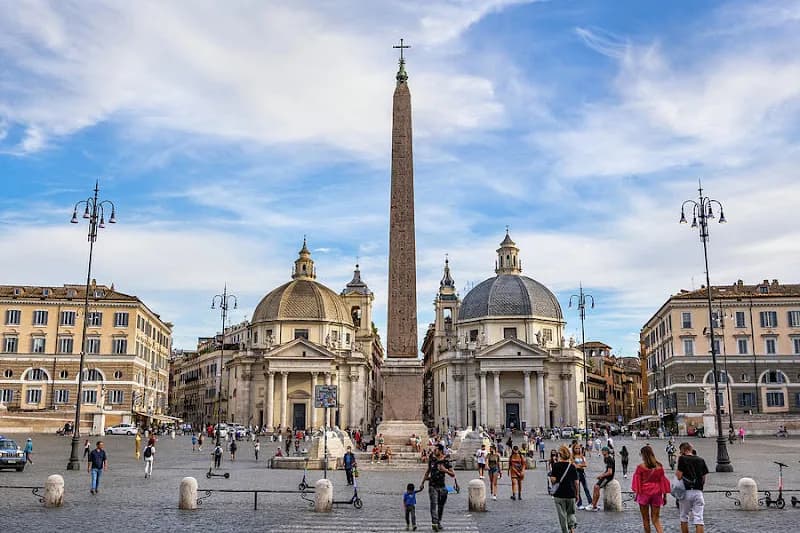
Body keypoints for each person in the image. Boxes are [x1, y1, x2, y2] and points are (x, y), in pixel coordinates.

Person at [632, 445, 670, 533]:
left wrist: (637, 494)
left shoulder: (640, 467)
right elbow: (663, 482)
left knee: (646, 519)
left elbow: (637, 483)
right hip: (657, 493)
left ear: (643, 455)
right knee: (656, 520)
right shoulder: (659, 467)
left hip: (644, 493)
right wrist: (665, 496)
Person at [421, 444, 456, 532]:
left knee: (441, 506)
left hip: (442, 487)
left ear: (440, 451)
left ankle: (438, 522)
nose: (434, 451)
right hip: (432, 486)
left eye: (436, 449)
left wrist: (445, 470)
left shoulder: (446, 461)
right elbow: (428, 471)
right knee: (433, 505)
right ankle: (435, 523)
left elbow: (453, 475)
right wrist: (422, 483)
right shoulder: (432, 460)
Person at [676, 442, 709, 533]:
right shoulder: (701, 460)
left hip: (685, 492)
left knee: (684, 516)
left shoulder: (682, 459)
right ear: (691, 449)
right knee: (699, 518)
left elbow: (679, 476)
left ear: (683, 450)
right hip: (698, 492)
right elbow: (703, 478)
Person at [550, 445, 579, 533]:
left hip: (559, 495)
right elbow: (576, 482)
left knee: (562, 515)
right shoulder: (572, 466)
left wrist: (552, 478)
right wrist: (577, 494)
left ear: (560, 455)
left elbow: (553, 480)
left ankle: (565, 531)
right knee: (571, 513)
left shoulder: (556, 466)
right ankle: (572, 529)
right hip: (571, 494)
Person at [586, 447, 615, 511]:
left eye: (604, 451)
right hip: (606, 476)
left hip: (608, 478)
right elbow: (607, 470)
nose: (602, 452)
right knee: (595, 487)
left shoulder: (609, 459)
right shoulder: (606, 458)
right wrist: (602, 476)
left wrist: (601, 475)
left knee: (597, 487)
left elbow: (610, 472)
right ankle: (594, 504)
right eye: (602, 450)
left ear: (607, 451)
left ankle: (594, 506)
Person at [571, 443, 592, 509]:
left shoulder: (581, 455)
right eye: (576, 448)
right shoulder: (572, 456)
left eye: (578, 448)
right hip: (576, 473)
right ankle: (579, 504)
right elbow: (574, 465)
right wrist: (580, 465)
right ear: (573, 449)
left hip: (582, 473)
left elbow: (585, 465)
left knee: (586, 488)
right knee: (578, 489)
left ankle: (590, 502)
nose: (577, 449)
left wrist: (578, 465)